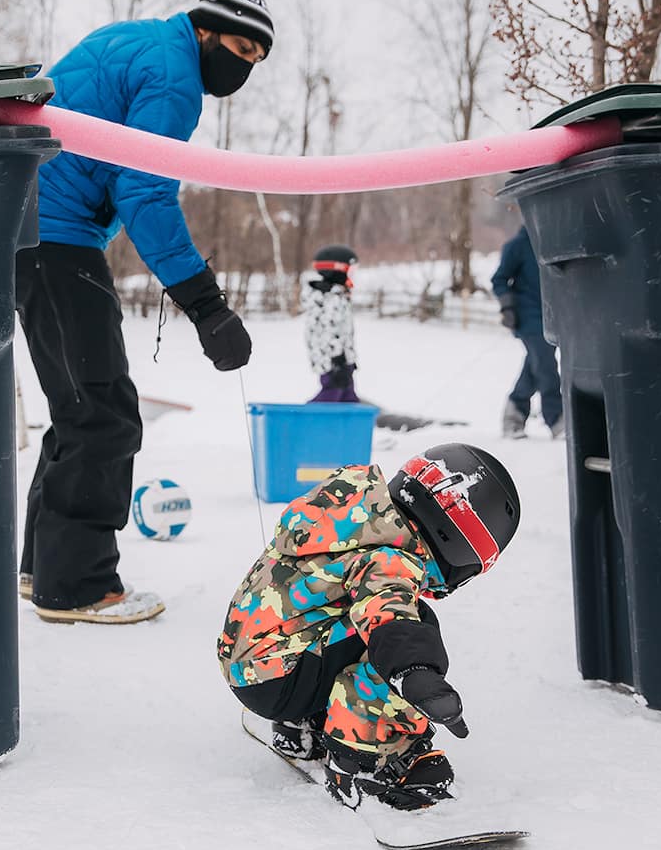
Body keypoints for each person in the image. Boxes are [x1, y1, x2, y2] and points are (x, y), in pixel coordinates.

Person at [17, 0, 273, 625]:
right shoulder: (174, 76)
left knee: (80, 407)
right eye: (242, 51)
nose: (245, 68)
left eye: (257, 61)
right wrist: (208, 307)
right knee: (103, 414)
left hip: (30, 226)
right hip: (57, 234)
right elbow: (145, 195)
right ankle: (75, 586)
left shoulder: (136, 41)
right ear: (209, 30)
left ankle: (40, 568)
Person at [218, 444, 521, 812]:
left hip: (253, 661)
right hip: (280, 679)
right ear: (455, 541)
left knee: (346, 619)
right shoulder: (390, 558)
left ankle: (303, 724)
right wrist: (415, 673)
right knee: (408, 627)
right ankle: (368, 758)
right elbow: (389, 614)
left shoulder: (354, 507)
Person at [491, 225, 562, 439]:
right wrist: (507, 306)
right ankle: (557, 419)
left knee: (535, 366)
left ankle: (513, 417)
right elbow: (499, 279)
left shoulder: (556, 243)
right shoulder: (518, 245)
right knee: (547, 366)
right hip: (528, 317)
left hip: (553, 317)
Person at [303, 243, 359, 403]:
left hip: (343, 359)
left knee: (348, 397)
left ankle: (350, 427)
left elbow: (343, 331)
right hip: (331, 361)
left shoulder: (338, 295)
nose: (353, 275)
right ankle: (301, 421)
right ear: (338, 270)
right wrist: (337, 361)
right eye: (351, 270)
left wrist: (349, 358)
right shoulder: (328, 299)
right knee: (332, 393)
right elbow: (327, 331)